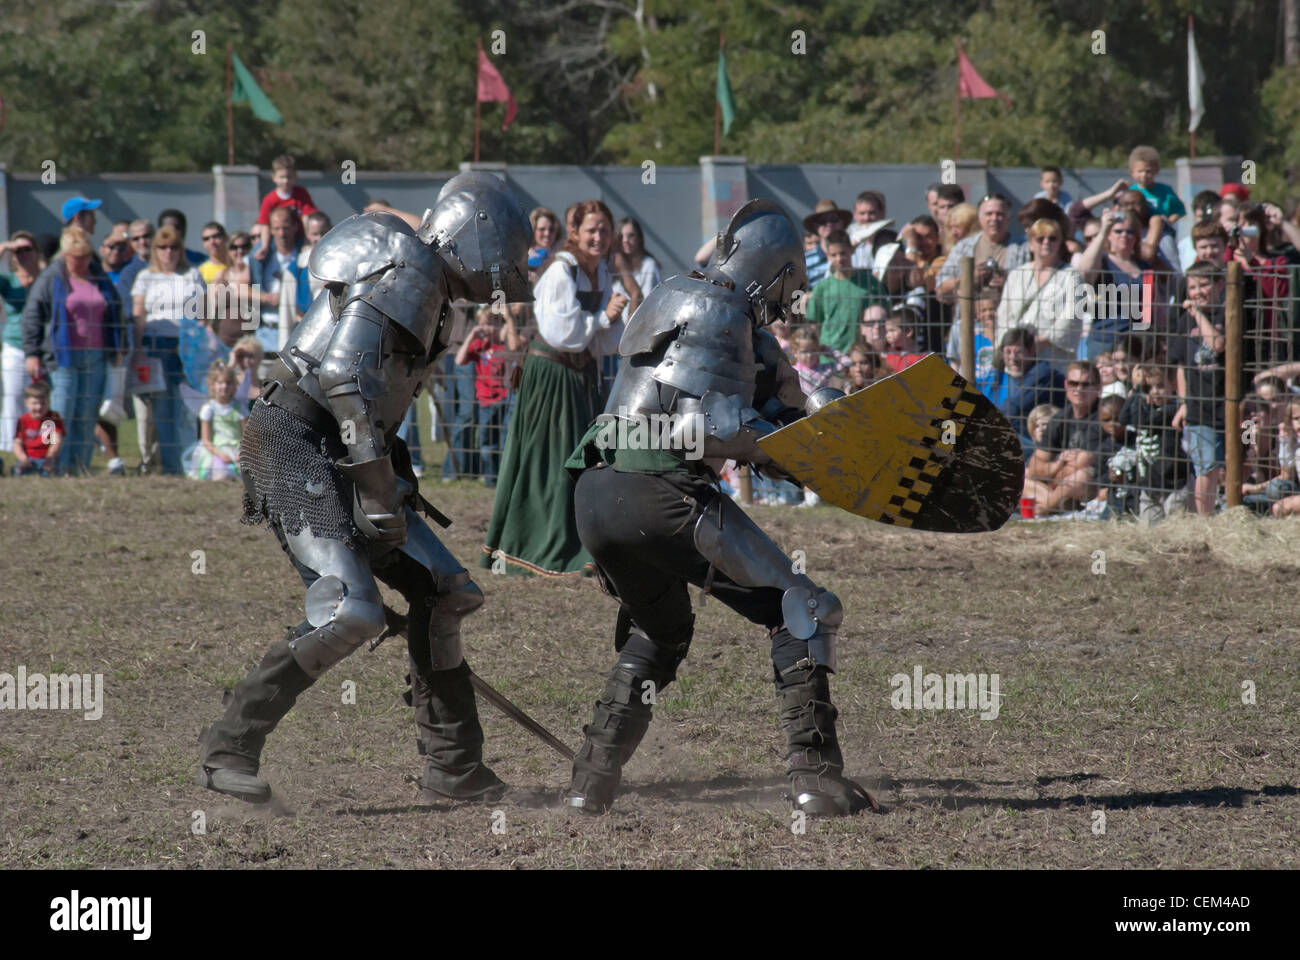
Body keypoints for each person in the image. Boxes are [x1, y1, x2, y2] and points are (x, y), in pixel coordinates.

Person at [197, 171, 532, 805]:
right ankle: (227, 749)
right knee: (350, 611)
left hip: (350, 450)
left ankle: (454, 769)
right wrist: (377, 491)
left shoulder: (432, 288)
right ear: (476, 236)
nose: (499, 279)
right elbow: (344, 379)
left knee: (448, 592)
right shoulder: (408, 265)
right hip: (297, 439)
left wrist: (383, 482)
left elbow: (368, 402)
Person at [562, 198, 875, 817]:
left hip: (599, 493)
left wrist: (819, 426)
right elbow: (701, 425)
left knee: (662, 629)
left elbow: (777, 404)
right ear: (775, 268)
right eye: (792, 282)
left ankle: (588, 782)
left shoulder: (684, 295)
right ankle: (815, 778)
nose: (792, 301)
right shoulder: (719, 307)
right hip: (659, 491)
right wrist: (789, 451)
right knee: (804, 605)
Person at [481, 199, 627, 576]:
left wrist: (613, 323)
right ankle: (532, 547)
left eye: (604, 230)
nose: (599, 237)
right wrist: (602, 318)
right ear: (574, 233)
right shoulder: (562, 272)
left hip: (579, 377)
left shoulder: (601, 272)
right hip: (552, 377)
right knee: (549, 460)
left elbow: (604, 342)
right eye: (591, 230)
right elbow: (563, 333)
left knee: (581, 460)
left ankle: (581, 543)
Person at [21, 227, 126, 475]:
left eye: (85, 257)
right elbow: (32, 316)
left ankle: (79, 467)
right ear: (65, 255)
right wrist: (32, 352)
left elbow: (116, 312)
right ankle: (52, 466)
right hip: (62, 357)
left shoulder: (99, 277)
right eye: (75, 258)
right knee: (60, 414)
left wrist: (119, 345)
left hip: (96, 356)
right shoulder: (52, 277)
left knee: (87, 415)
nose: (80, 263)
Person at [129, 224, 205, 475]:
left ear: (180, 249)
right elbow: (138, 316)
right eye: (162, 247)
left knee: (186, 408)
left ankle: (189, 465)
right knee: (161, 409)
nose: (168, 252)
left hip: (186, 348)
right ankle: (170, 466)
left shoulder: (192, 275)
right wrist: (138, 350)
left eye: (173, 246)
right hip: (155, 347)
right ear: (155, 250)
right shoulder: (145, 277)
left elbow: (203, 315)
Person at [1169, 260, 1231, 516]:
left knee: (1241, 457)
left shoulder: (1229, 315)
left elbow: (1218, 345)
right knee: (1205, 466)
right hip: (1199, 410)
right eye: (1192, 287)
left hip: (1232, 409)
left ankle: (1235, 510)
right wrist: (1183, 402)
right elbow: (1182, 366)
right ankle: (1206, 522)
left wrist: (1200, 316)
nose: (1197, 292)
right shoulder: (1186, 321)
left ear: (1219, 285)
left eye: (1204, 284)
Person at [992, 218, 1083, 371]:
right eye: (1040, 238)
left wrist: (1039, 343)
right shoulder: (1017, 274)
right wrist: (1012, 346)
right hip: (1016, 360)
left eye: (1052, 238)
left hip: (1051, 360)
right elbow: (1004, 314)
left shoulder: (1071, 275)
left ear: (1060, 243)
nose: (1046, 242)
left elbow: (1072, 317)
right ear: (1030, 243)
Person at [454, 304, 523, 487]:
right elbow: (460, 360)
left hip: (504, 399)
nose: (486, 329)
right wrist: (471, 336)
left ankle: (505, 479)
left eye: (490, 324)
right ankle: (491, 480)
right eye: (483, 325)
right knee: (486, 444)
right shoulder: (479, 345)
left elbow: (514, 346)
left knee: (504, 442)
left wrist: (507, 321)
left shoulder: (504, 343)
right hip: (485, 401)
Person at [1023, 360, 1104, 514]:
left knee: (1081, 476)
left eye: (1086, 384)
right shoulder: (1060, 418)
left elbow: (1082, 462)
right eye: (1074, 384)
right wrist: (1058, 464)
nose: (1079, 390)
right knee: (1020, 477)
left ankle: (1044, 508)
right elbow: (1035, 466)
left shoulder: (1101, 416)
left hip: (1090, 482)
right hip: (1059, 482)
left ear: (1098, 388)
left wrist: (1050, 477)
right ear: (1066, 385)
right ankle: (1058, 503)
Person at [1114, 364, 1189, 523]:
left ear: (1173, 385)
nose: (1154, 391)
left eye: (1160, 386)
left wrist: (1138, 392)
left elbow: (1144, 422)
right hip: (1149, 484)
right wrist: (1136, 389)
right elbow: (1123, 418)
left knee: (1174, 529)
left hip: (1173, 483)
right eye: (1149, 387)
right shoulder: (1146, 408)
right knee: (1149, 529)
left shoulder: (1172, 409)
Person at [804, 228, 887, 353]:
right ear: (828, 256)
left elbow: (884, 316)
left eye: (843, 253)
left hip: (862, 354)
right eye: (834, 255)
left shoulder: (870, 283)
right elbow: (814, 324)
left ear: (852, 250)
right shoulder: (822, 287)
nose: (839, 259)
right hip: (830, 355)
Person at [1, 231, 46, 456]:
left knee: (44, 399)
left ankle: (44, 446)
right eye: (18, 251)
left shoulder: (46, 278)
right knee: (14, 396)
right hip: (15, 346)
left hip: (43, 347)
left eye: (28, 249)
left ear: (37, 252)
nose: (23, 255)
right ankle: (12, 449)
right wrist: (2, 250)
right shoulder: (8, 281)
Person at [936, 194, 1025, 304]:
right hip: (970, 316)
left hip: (1009, 313)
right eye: (989, 214)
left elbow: (1036, 283)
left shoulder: (1023, 247)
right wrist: (969, 278)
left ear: (1008, 218)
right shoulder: (963, 247)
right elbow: (941, 288)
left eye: (999, 214)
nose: (994, 218)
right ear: (980, 218)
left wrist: (1008, 283)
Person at [249, 206, 312, 356]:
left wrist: (287, 299)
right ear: (270, 230)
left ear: (295, 227)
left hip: (298, 332)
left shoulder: (305, 256)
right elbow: (239, 288)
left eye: (286, 227)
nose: (281, 233)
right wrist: (267, 297)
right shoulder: (260, 257)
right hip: (267, 331)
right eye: (276, 228)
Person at [253, 154, 319, 260]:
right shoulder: (269, 199)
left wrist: (308, 240)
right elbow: (265, 224)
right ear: (274, 178)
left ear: (295, 177)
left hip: (299, 239)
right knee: (254, 256)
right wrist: (265, 246)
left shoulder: (301, 194)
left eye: (289, 177)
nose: (286, 181)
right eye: (282, 177)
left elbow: (307, 217)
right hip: (277, 240)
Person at [188, 362, 244, 481]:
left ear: (234, 386)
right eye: (220, 383)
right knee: (221, 476)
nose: (224, 386)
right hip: (217, 450)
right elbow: (206, 440)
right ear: (212, 385)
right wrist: (221, 455)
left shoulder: (240, 409)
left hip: (238, 450)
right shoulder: (209, 409)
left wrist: (242, 452)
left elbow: (247, 436)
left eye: (228, 383)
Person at [11, 381, 64, 476]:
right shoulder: (23, 420)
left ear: (49, 402)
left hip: (47, 457)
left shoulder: (53, 417)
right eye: (35, 403)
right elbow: (17, 443)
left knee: (50, 473)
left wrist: (50, 457)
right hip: (28, 458)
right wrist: (23, 459)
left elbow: (57, 441)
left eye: (43, 403)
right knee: (18, 472)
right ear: (26, 403)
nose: (39, 407)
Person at [802, 200, 851, 290]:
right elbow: (798, 293)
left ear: (842, 223)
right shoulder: (805, 261)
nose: (829, 224)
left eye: (833, 219)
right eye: (822, 221)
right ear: (816, 227)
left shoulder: (854, 254)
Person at [527, 207, 561, 283]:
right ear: (533, 230)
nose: (547, 233)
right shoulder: (524, 257)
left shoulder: (561, 256)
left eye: (551, 229)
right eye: (542, 229)